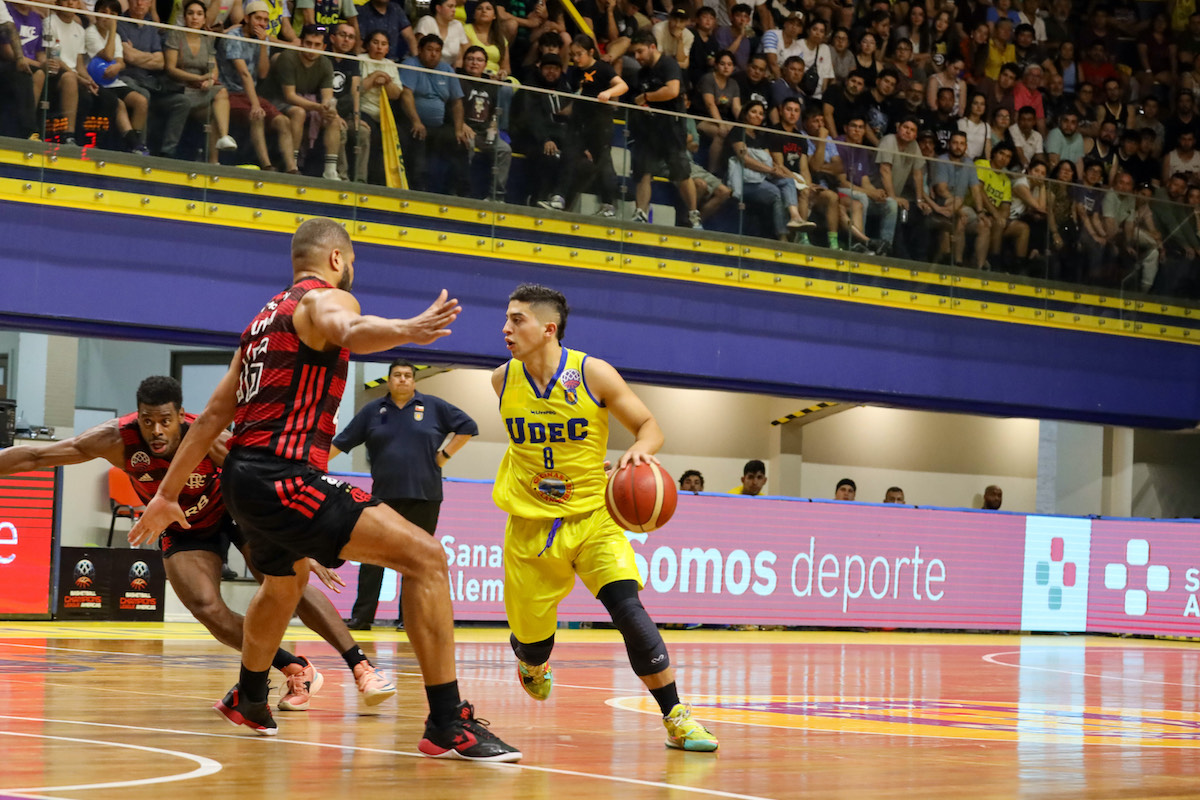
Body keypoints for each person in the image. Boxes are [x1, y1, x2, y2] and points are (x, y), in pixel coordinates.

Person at [129, 218, 521, 759]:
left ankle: (249, 696)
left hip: (242, 479)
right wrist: (410, 328)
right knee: (427, 558)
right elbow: (351, 331)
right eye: (352, 260)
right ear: (337, 259)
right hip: (283, 476)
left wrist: (166, 493)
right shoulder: (323, 301)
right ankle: (447, 722)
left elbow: (212, 416)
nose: (352, 269)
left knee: (282, 585)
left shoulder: (261, 322)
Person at [0, 375, 396, 713]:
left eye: (165, 421)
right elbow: (36, 455)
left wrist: (299, 536)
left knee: (287, 581)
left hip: (236, 511)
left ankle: (362, 667)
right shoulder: (115, 440)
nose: (156, 431)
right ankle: (296, 669)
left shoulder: (207, 437)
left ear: (180, 417)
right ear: (137, 417)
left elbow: (266, 480)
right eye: (148, 421)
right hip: (185, 527)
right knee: (207, 609)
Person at [493, 283, 718, 753]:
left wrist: (637, 451)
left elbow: (649, 426)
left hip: (594, 516)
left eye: (518, 320)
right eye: (508, 319)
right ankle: (531, 662)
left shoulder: (592, 372)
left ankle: (676, 717)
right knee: (533, 645)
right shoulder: (501, 380)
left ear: (547, 328)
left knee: (629, 611)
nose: (506, 328)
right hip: (532, 526)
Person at [331, 359, 476, 631]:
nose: (402, 379)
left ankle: (408, 618)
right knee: (373, 557)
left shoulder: (433, 407)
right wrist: (307, 464)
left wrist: (444, 455)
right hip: (383, 498)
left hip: (425, 496)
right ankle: (362, 617)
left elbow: (468, 426)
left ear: (414, 381)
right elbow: (341, 442)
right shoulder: (373, 411)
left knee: (416, 559)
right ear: (389, 380)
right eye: (397, 375)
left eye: (408, 375)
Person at [629, 31, 700, 229]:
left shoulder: (668, 64)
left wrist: (647, 97)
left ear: (652, 47)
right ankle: (641, 212)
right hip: (649, 129)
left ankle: (694, 215)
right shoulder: (641, 74)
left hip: (671, 128)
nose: (637, 57)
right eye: (634, 53)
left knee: (682, 173)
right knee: (643, 171)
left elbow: (672, 90)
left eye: (640, 52)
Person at [217, 0, 298, 172]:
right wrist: (255, 105)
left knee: (283, 121)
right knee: (257, 115)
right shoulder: (233, 37)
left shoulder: (262, 40)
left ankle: (292, 168)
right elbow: (244, 74)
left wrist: (262, 45)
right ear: (247, 18)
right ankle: (267, 166)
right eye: (258, 19)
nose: (262, 23)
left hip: (250, 93)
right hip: (229, 93)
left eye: (265, 20)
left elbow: (262, 73)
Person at [260, 24, 341, 181]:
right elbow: (289, 96)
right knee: (299, 112)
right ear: (301, 42)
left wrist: (328, 108)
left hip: (305, 101)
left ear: (324, 47)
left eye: (317, 45)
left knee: (334, 118)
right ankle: (292, 163)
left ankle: (330, 170)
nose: (311, 49)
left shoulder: (325, 64)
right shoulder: (288, 58)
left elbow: (327, 96)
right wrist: (318, 107)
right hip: (275, 99)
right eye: (308, 43)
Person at [164, 0, 237, 163]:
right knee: (218, 102)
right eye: (190, 14)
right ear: (184, 17)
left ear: (204, 19)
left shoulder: (207, 40)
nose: (194, 18)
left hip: (200, 90)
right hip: (179, 89)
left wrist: (210, 80)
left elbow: (214, 69)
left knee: (219, 100)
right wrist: (198, 78)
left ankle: (218, 150)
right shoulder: (176, 35)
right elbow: (170, 68)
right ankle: (221, 141)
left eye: (199, 14)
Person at [401, 34, 473, 195]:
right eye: (429, 49)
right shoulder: (410, 64)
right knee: (418, 138)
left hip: (439, 126)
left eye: (437, 51)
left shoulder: (446, 69)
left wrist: (459, 129)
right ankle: (416, 190)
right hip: (413, 123)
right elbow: (406, 95)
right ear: (419, 50)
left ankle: (458, 192)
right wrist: (416, 121)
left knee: (460, 143)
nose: (433, 54)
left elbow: (457, 102)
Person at [566, 34, 626, 216]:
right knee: (569, 155)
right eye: (573, 55)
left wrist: (608, 93)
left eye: (579, 54)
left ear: (591, 52)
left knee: (603, 162)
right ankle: (560, 198)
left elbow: (622, 86)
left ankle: (609, 204)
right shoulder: (575, 72)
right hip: (580, 121)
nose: (576, 59)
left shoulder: (603, 68)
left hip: (600, 122)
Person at [459, 44, 512, 201]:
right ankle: (463, 192)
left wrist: (494, 124)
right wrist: (461, 124)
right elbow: (452, 106)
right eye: (470, 59)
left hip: (485, 132)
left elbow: (495, 109)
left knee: (505, 149)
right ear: (464, 62)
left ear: (485, 64)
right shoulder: (458, 79)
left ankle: (497, 195)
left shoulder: (491, 85)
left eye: (479, 60)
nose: (475, 63)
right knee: (466, 144)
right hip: (466, 129)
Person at [415, 0, 469, 67]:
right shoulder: (427, 21)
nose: (454, 10)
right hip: (423, 66)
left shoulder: (457, 25)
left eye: (455, 7)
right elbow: (418, 50)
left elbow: (460, 58)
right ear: (439, 8)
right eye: (450, 6)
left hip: (448, 70)